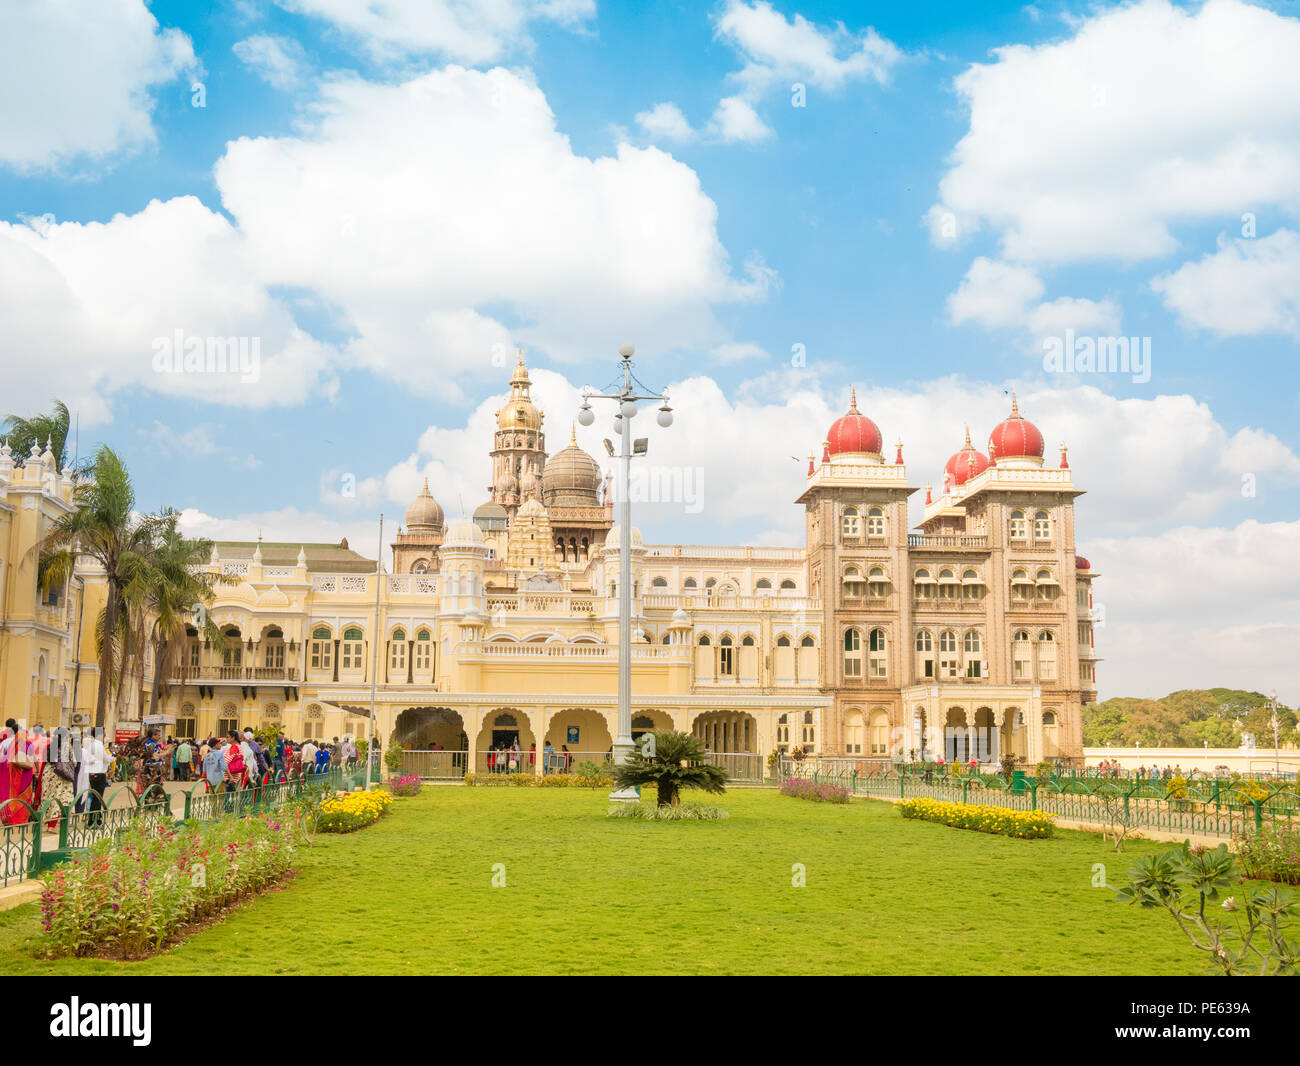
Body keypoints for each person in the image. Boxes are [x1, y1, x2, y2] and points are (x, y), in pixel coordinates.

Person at [0, 719, 37, 826]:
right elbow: (32, 758)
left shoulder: (7, 743)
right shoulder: (27, 744)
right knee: (22, 796)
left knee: (10, 795)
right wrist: (38, 770)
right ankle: (20, 819)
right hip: (24, 774)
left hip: (9, 774)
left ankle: (8, 818)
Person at [77, 729, 114, 827]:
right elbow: (105, 759)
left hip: (93, 773)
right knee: (97, 798)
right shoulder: (98, 745)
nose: (105, 735)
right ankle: (94, 820)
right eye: (104, 733)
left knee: (94, 798)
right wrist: (112, 757)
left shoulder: (93, 745)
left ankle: (94, 819)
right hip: (98, 774)